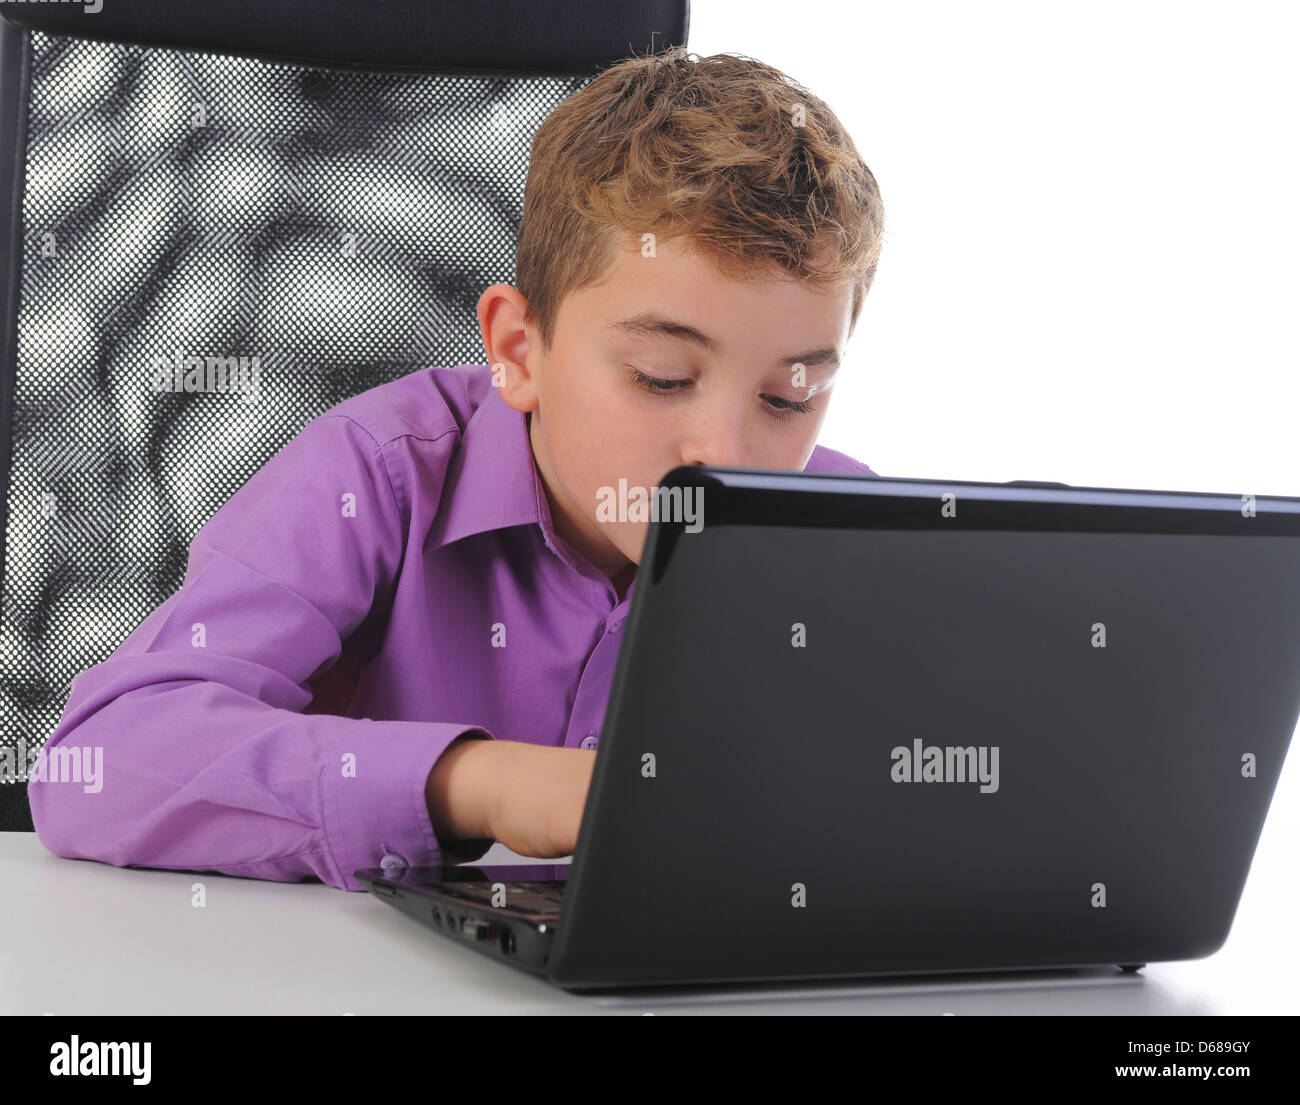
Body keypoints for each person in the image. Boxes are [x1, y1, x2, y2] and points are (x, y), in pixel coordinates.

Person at [28, 47, 885, 892]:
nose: (725, 457)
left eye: (788, 396)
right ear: (519, 348)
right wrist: (488, 783)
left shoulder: (851, 532)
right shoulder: (379, 474)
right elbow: (97, 761)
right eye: (661, 377)